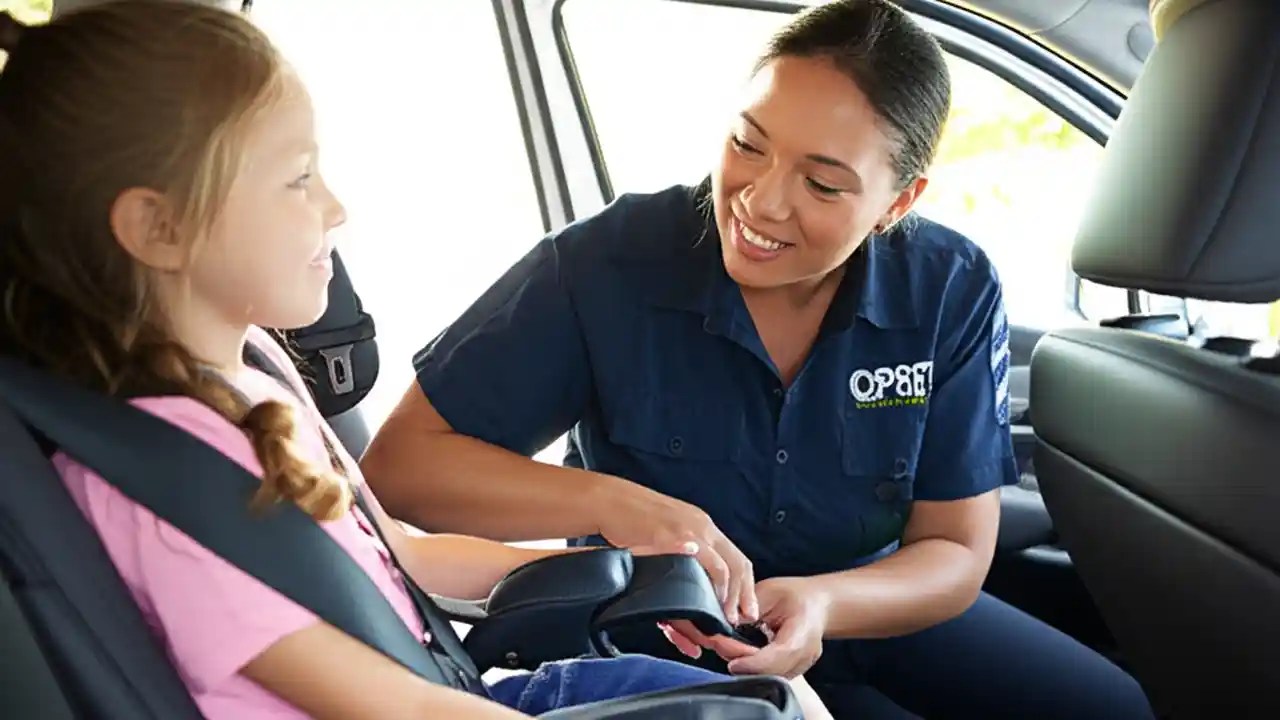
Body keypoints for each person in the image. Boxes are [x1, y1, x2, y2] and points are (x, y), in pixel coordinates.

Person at [0, 3, 833, 719]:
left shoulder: (249, 370)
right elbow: (397, 708)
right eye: (297, 179)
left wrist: (622, 569)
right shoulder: (163, 483)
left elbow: (391, 556)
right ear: (158, 229)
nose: (335, 207)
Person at [359, 1, 1157, 718]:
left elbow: (954, 552)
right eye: (748, 144)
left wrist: (821, 604)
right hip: (660, 624)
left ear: (899, 202)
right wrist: (609, 504)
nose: (761, 201)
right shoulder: (604, 266)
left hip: (865, 602)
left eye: (822, 183)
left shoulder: (951, 287)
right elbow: (400, 470)